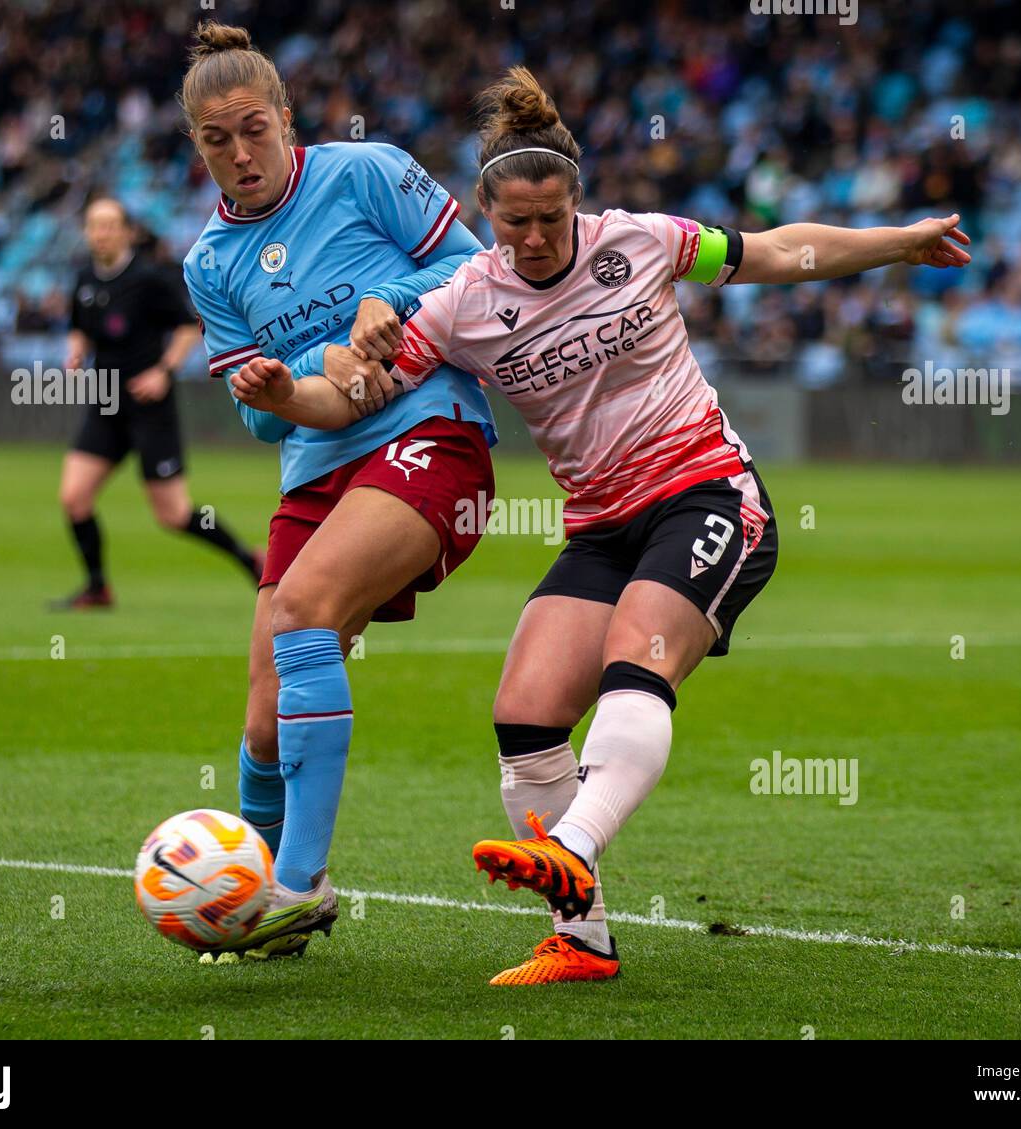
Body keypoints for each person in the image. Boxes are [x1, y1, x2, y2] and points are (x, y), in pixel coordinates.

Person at [238, 67, 971, 984]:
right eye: (516, 223)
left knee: (638, 657)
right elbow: (352, 395)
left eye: (552, 219)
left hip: (709, 494)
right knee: (526, 716)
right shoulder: (464, 302)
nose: (537, 239)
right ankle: (581, 941)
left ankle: (575, 844)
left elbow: (778, 252)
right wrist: (301, 385)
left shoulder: (644, 241)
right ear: (487, 214)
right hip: (601, 526)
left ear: (578, 204)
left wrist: (899, 242)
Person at [177, 22, 498, 962]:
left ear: (285, 118)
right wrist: (277, 396)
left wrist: (388, 303)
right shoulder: (209, 265)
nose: (240, 154)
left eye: (253, 130)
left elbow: (479, 267)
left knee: (306, 610)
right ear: (195, 147)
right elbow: (273, 420)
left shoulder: (366, 173)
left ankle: (299, 885)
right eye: (215, 141)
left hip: (429, 433)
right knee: (261, 717)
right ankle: (267, 898)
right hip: (317, 467)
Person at [55, 197, 262, 609]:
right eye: (95, 225)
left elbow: (188, 328)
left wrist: (162, 371)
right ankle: (98, 588)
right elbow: (80, 330)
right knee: (74, 497)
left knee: (173, 514)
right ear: (86, 232)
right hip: (106, 402)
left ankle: (250, 560)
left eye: (111, 224)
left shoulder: (149, 278)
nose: (102, 232)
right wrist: (75, 353)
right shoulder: (83, 279)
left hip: (149, 408)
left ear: (127, 231)